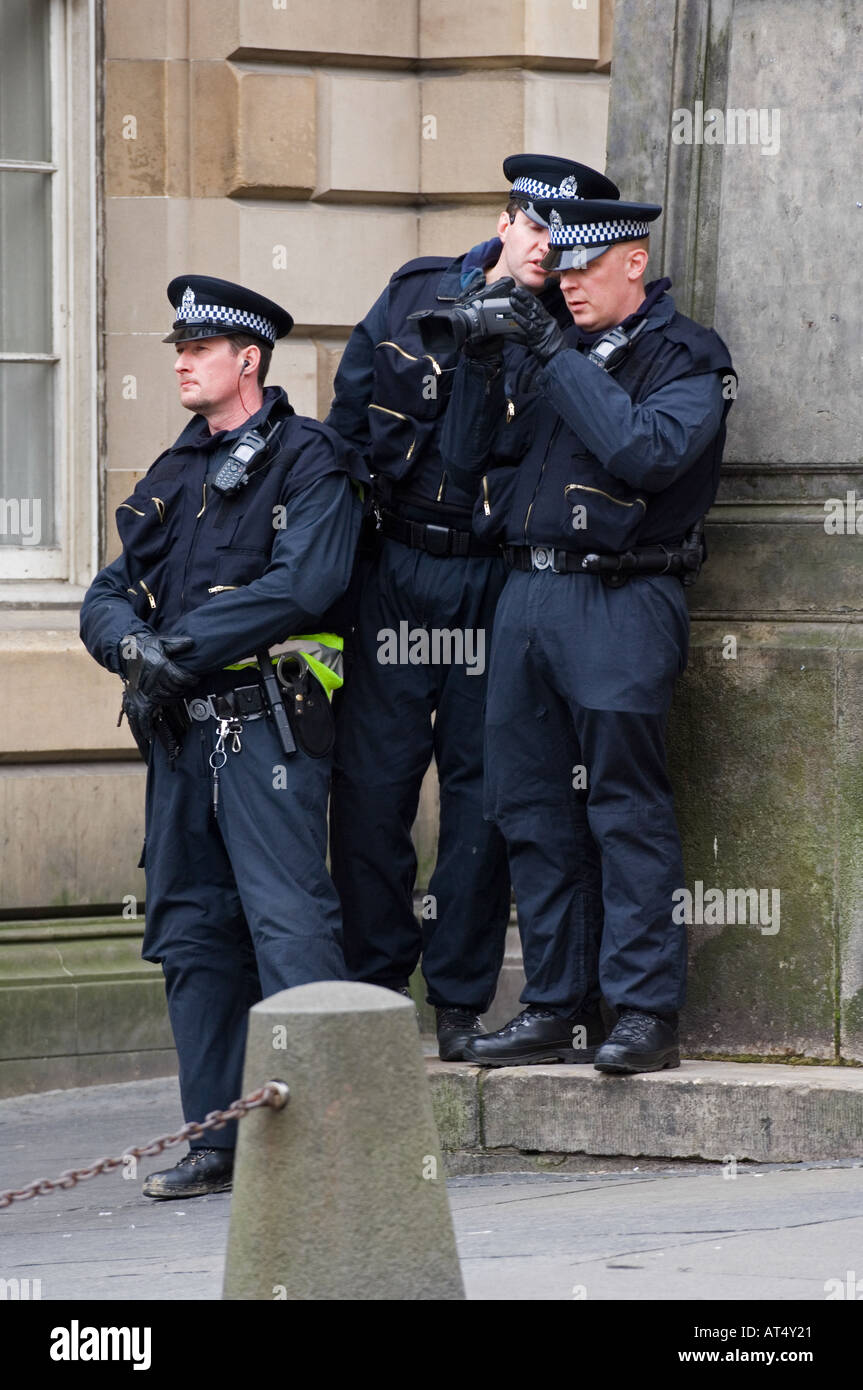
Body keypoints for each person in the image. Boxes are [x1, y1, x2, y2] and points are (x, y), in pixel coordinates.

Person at [326, 157, 619, 1061]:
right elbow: (343, 428)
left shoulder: (564, 338)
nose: (543, 248)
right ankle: (376, 989)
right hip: (395, 567)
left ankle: (457, 1000)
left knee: (481, 800)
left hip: (492, 581)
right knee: (372, 795)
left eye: (560, 238)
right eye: (532, 228)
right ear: (504, 221)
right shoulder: (416, 294)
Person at [440, 175, 735, 1073]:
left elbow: (641, 452)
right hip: (526, 597)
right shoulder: (551, 342)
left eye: (585, 265)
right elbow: (461, 463)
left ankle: (643, 1014)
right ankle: (552, 1005)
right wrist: (483, 363)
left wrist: (549, 354)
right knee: (527, 807)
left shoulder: (687, 355)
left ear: (633, 261)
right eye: (557, 266)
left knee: (624, 809)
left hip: (621, 597)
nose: (566, 283)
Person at [80, 276, 368, 1196]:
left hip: (264, 731)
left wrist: (176, 647)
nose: (179, 363)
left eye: (196, 350)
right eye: (175, 350)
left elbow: (302, 586)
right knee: (193, 937)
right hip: (179, 739)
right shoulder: (175, 473)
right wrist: (131, 646)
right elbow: (107, 591)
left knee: (290, 932)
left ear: (247, 360)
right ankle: (216, 1142)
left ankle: (327, 1140)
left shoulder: (310, 461)